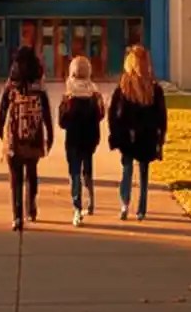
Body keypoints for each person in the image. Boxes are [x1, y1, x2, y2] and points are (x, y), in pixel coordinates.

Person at [0, 45, 53, 231]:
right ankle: (31, 207)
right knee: (32, 172)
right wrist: (50, 136)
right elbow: (46, 114)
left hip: (14, 138)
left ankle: (17, 216)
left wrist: (0, 131)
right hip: (34, 138)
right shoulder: (39, 87)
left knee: (16, 178)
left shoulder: (11, 86)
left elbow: (1, 111)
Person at [107, 45, 167, 222]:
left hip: (129, 136)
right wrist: (160, 138)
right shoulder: (154, 90)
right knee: (143, 173)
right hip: (146, 137)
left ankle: (125, 203)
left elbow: (113, 113)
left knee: (127, 169)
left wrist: (115, 132)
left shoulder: (124, 87)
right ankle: (141, 209)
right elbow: (161, 117)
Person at [58, 56, 105, 227]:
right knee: (88, 169)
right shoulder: (94, 92)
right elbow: (100, 115)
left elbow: (62, 122)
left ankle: (77, 207)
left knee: (74, 172)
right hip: (90, 137)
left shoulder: (69, 94)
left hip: (73, 139)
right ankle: (91, 201)